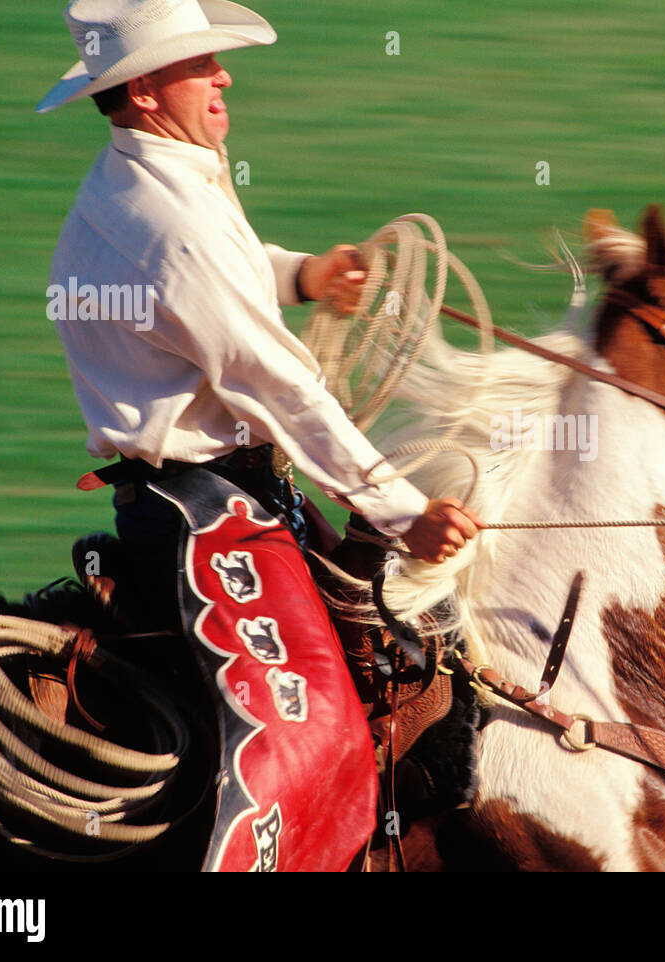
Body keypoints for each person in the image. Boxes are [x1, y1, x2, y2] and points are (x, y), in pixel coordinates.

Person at [37, 0, 482, 626]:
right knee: (326, 717)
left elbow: (201, 290)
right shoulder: (177, 226)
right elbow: (279, 388)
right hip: (210, 514)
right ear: (143, 90)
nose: (224, 76)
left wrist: (303, 276)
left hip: (196, 500)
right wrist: (405, 515)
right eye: (200, 63)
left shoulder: (133, 182)